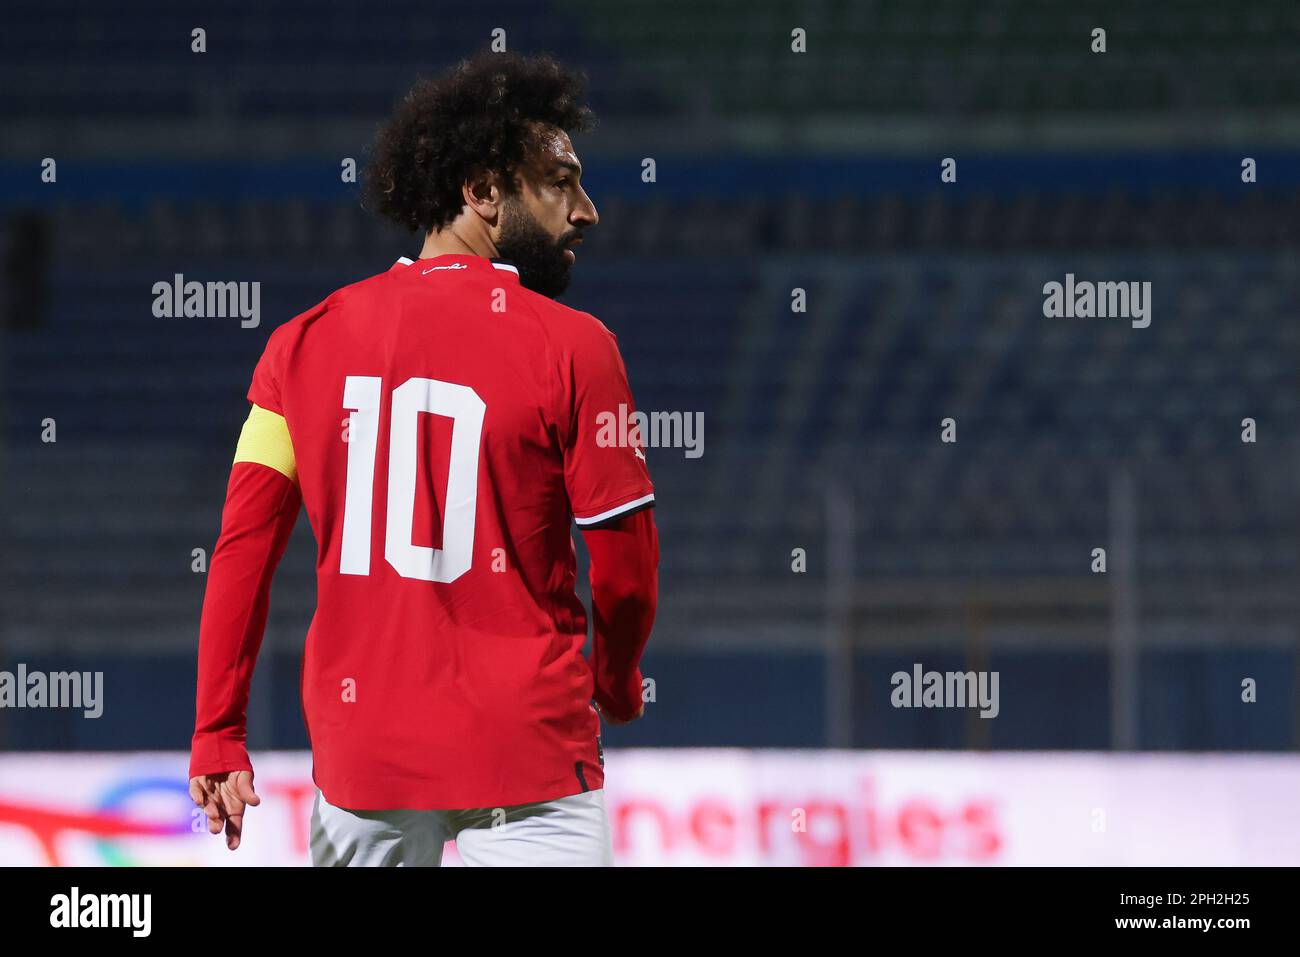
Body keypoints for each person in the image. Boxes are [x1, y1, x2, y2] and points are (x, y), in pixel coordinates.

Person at [188, 51, 659, 866]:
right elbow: (625, 563)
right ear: (482, 190)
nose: (586, 211)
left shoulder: (297, 345)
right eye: (560, 183)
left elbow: (242, 550)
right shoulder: (580, 348)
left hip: (364, 759)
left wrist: (217, 730)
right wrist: (617, 677)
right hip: (531, 757)